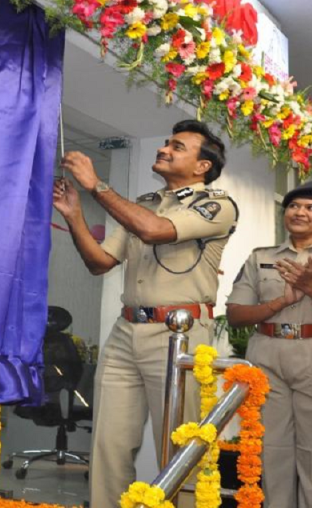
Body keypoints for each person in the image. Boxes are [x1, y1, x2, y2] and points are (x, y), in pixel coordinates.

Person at [52, 119, 238, 508]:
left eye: (177, 147)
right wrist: (74, 215)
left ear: (202, 166)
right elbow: (100, 262)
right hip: (126, 331)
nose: (164, 149)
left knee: (182, 445)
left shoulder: (217, 205)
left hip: (179, 336)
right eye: (166, 142)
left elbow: (154, 231)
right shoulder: (143, 204)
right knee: (109, 443)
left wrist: (96, 185)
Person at [225, 181, 312, 508]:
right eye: (294, 206)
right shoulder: (261, 257)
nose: (300, 212)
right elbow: (236, 315)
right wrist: (280, 302)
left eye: (311, 208)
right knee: (272, 452)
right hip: (268, 355)